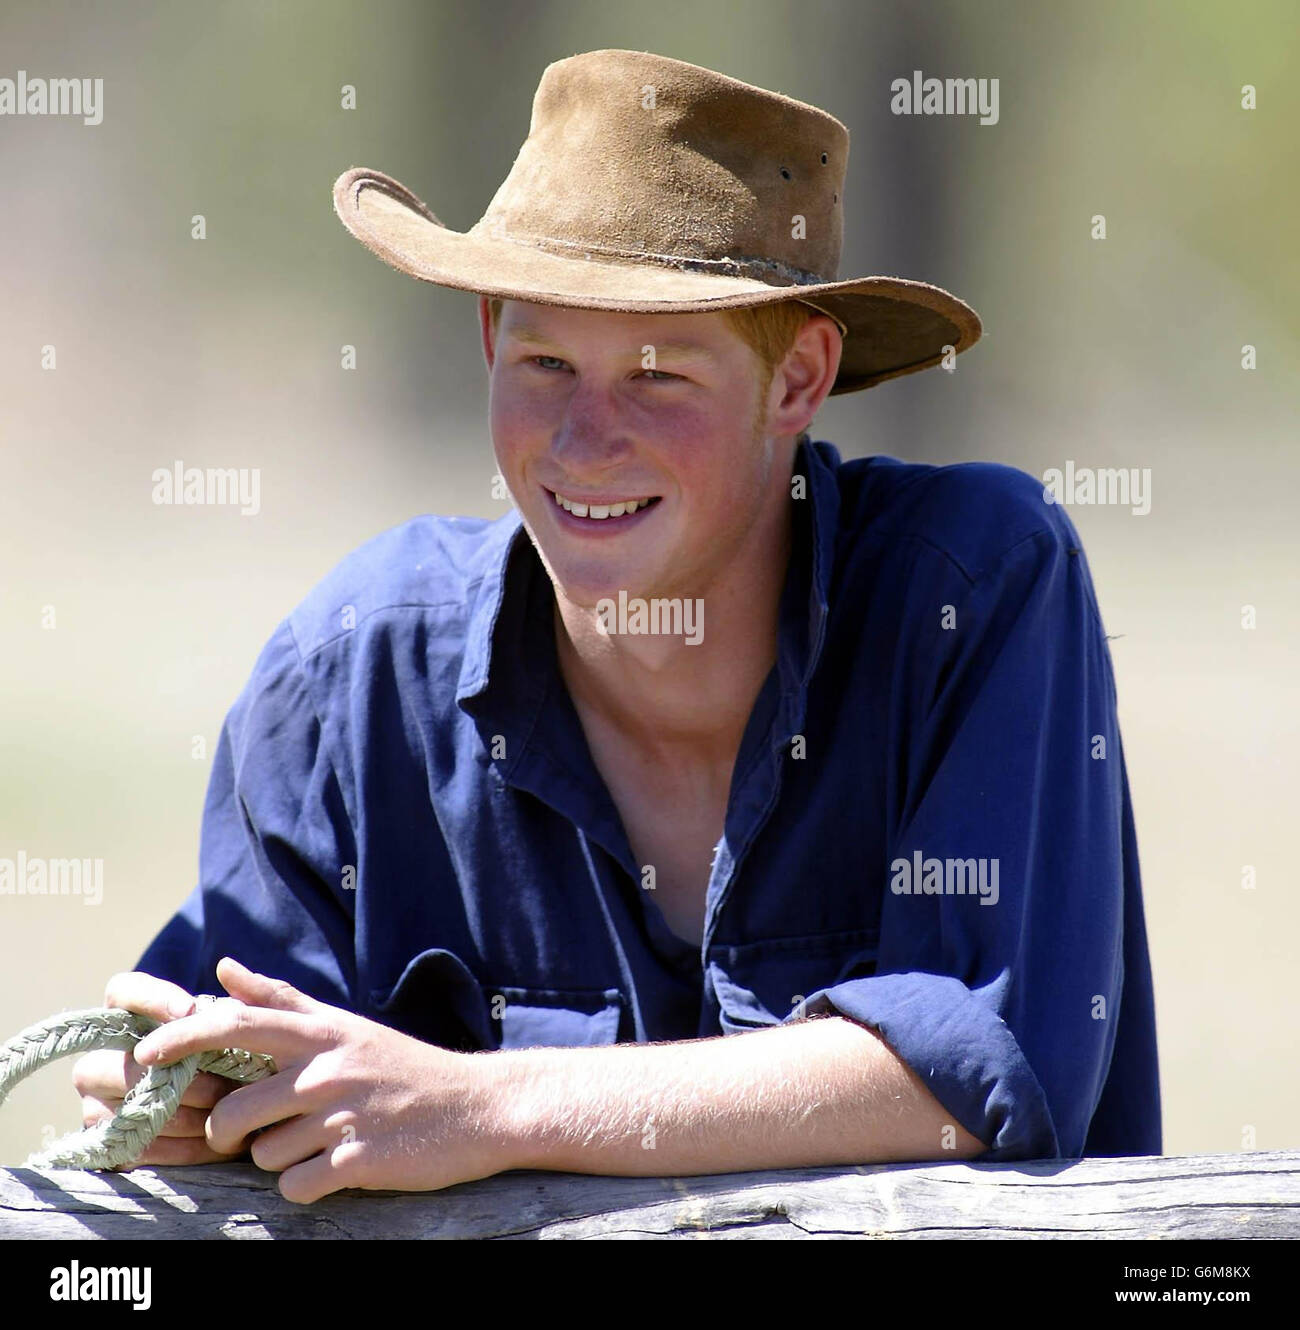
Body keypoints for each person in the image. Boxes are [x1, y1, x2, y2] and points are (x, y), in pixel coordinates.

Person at [73, 49, 1160, 1204]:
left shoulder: (971, 588)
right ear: (489, 339)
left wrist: (473, 1103)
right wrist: (190, 1098)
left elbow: (974, 1079)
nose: (584, 440)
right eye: (544, 362)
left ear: (797, 380)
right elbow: (227, 1073)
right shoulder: (350, 674)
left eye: (655, 377)